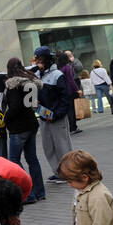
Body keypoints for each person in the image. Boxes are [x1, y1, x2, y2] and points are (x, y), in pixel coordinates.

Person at [3, 57, 45, 204]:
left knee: (14, 161)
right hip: (31, 123)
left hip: (18, 127)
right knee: (32, 159)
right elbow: (32, 104)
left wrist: (5, 118)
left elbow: (14, 107)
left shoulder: (13, 85)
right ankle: (40, 192)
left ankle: (29, 194)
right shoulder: (30, 82)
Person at [34, 46, 74, 181]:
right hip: (44, 117)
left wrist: (57, 114)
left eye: (40, 59)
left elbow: (65, 97)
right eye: (36, 59)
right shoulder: (37, 76)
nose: (38, 62)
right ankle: (58, 172)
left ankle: (68, 173)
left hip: (57, 117)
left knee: (63, 146)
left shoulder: (57, 75)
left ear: (48, 59)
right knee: (48, 147)